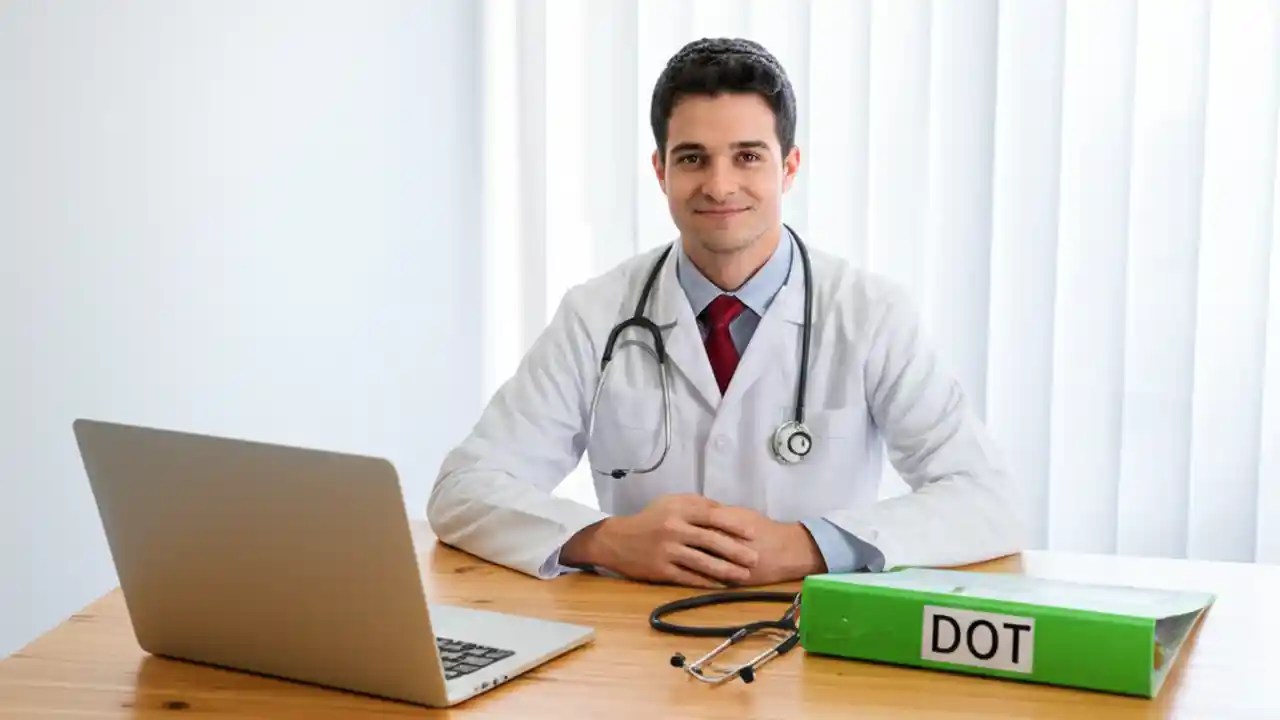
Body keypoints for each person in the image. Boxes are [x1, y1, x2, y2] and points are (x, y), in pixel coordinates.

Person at [428, 37, 1024, 588]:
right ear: (660, 170)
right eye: (692, 158)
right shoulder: (597, 314)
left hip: (810, 633)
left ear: (788, 167)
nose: (718, 185)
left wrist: (809, 546)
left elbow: (986, 499)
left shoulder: (869, 314)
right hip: (634, 639)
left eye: (747, 156)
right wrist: (604, 540)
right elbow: (464, 488)